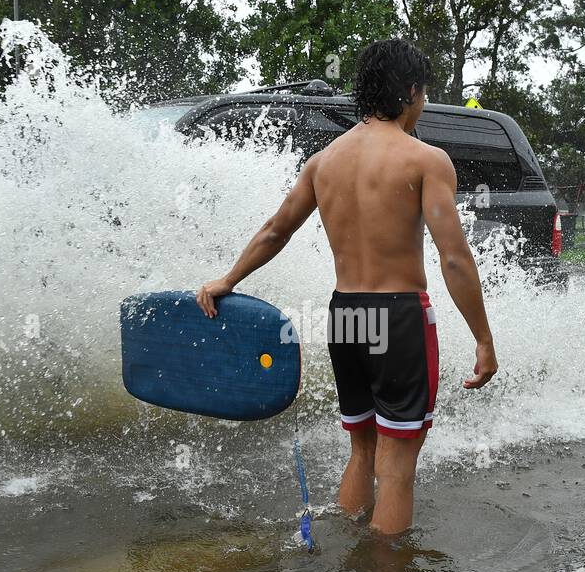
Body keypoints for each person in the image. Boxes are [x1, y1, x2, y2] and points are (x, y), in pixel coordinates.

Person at [196, 39, 497, 535]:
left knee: (362, 447)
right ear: (410, 92)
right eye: (423, 94)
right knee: (397, 465)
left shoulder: (323, 162)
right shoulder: (426, 160)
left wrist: (228, 280)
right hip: (398, 317)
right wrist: (483, 338)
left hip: (346, 316)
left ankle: (348, 554)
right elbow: (454, 258)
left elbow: (276, 230)